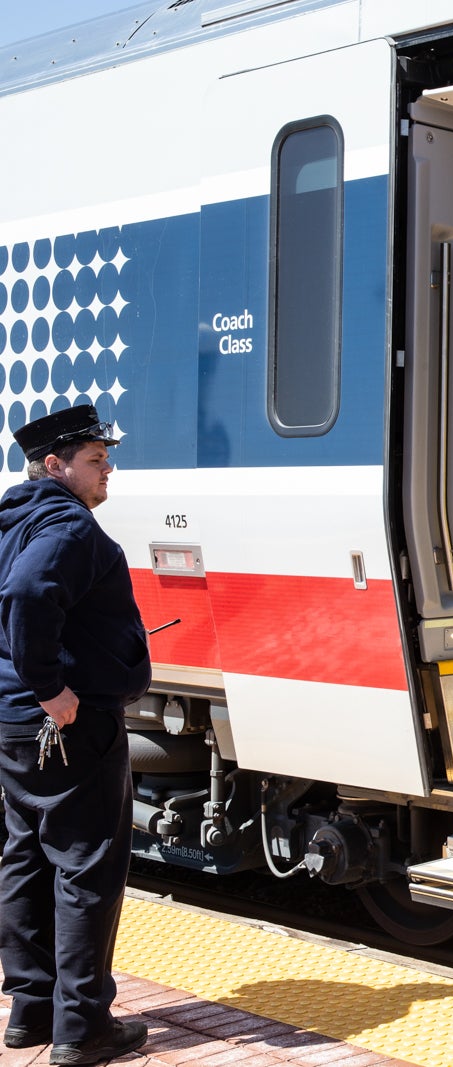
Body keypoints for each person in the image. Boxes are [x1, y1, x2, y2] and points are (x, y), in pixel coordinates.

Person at [0, 404, 149, 1065]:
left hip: (16, 722)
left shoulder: (14, 517)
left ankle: (31, 1011)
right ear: (55, 465)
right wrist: (49, 685)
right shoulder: (66, 525)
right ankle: (83, 1027)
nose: (107, 467)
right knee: (86, 866)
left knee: (26, 857)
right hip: (68, 723)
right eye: (95, 458)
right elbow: (28, 595)